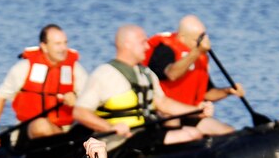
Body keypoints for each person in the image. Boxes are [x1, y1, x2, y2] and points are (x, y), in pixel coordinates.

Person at [72, 25, 227, 145]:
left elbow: (163, 103)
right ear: (127, 44)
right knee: (188, 135)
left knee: (193, 132)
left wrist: (196, 111)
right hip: (118, 141)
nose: (147, 47)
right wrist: (110, 128)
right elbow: (80, 112)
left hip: (144, 133)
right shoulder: (104, 74)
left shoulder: (146, 73)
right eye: (142, 42)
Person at [0, 25, 88, 148]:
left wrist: (77, 101)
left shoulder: (75, 69)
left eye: (65, 43)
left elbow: (91, 104)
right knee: (41, 125)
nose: (63, 48)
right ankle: (68, 150)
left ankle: (68, 149)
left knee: (86, 128)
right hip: (29, 131)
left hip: (64, 129)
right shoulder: (24, 68)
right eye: (58, 44)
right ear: (44, 46)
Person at [145, 15, 238, 135]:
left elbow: (207, 93)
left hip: (191, 113)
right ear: (182, 38)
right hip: (164, 113)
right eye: (198, 41)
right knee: (174, 122)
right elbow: (172, 74)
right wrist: (197, 51)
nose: (202, 44)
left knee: (228, 131)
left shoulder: (199, 57)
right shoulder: (165, 50)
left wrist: (228, 91)